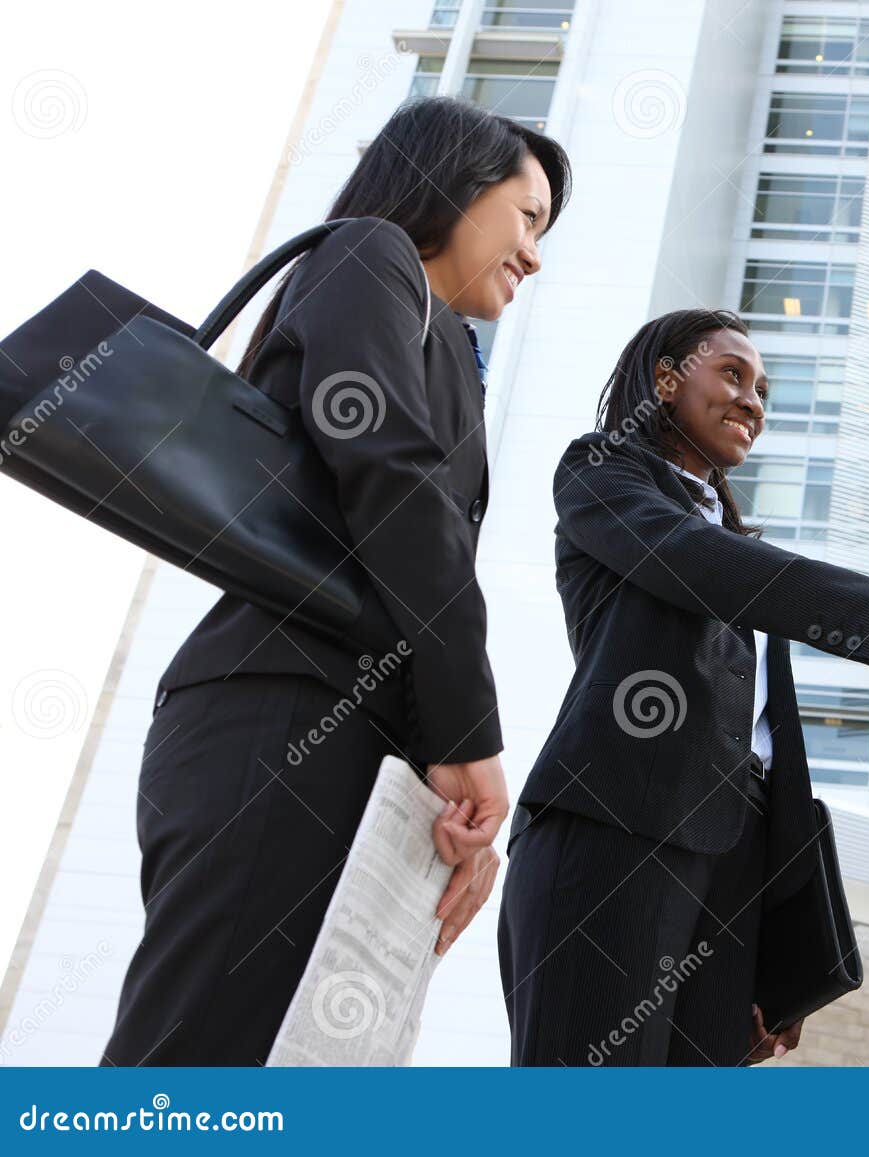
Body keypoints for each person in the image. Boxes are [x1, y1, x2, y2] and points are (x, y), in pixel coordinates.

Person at [101, 97, 572, 1066]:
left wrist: (443, 778)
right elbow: (390, 477)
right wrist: (469, 735)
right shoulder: (368, 252)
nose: (535, 253)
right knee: (192, 1060)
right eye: (527, 216)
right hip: (277, 711)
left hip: (358, 746)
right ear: (456, 184)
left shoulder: (453, 351)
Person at [497, 308, 869, 1066]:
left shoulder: (733, 541)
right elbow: (699, 564)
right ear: (665, 380)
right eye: (732, 374)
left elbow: (761, 747)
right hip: (611, 840)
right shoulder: (603, 474)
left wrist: (771, 950)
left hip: (727, 879)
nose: (754, 400)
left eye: (764, 388)